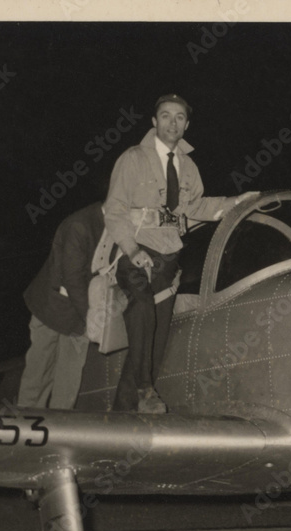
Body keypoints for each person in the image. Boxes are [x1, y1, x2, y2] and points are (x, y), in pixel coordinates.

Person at [103, 93, 258, 413]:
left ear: (186, 125)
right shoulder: (133, 158)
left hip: (169, 253)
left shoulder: (188, 166)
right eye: (165, 116)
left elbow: (196, 207)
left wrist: (235, 202)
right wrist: (132, 250)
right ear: (153, 121)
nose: (171, 123)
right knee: (142, 305)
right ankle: (146, 390)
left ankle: (124, 411)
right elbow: (114, 210)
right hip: (134, 249)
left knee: (156, 332)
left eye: (178, 118)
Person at [18, 202, 105, 409]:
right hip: (52, 309)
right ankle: (24, 431)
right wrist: (93, 320)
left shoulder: (120, 225)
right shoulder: (79, 225)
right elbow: (72, 279)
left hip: (80, 314)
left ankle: (57, 434)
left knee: (68, 386)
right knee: (37, 380)